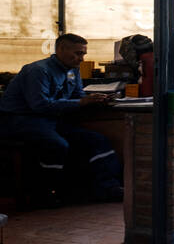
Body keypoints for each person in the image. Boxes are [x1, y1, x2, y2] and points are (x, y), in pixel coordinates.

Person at [0, 34, 124, 205]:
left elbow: (77, 95)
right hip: (20, 120)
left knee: (97, 140)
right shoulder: (38, 71)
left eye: (83, 54)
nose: (81, 58)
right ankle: (43, 194)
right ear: (61, 49)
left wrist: (97, 99)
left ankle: (108, 188)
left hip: (49, 121)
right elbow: (40, 105)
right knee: (57, 145)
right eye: (78, 53)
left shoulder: (73, 70)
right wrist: (81, 102)